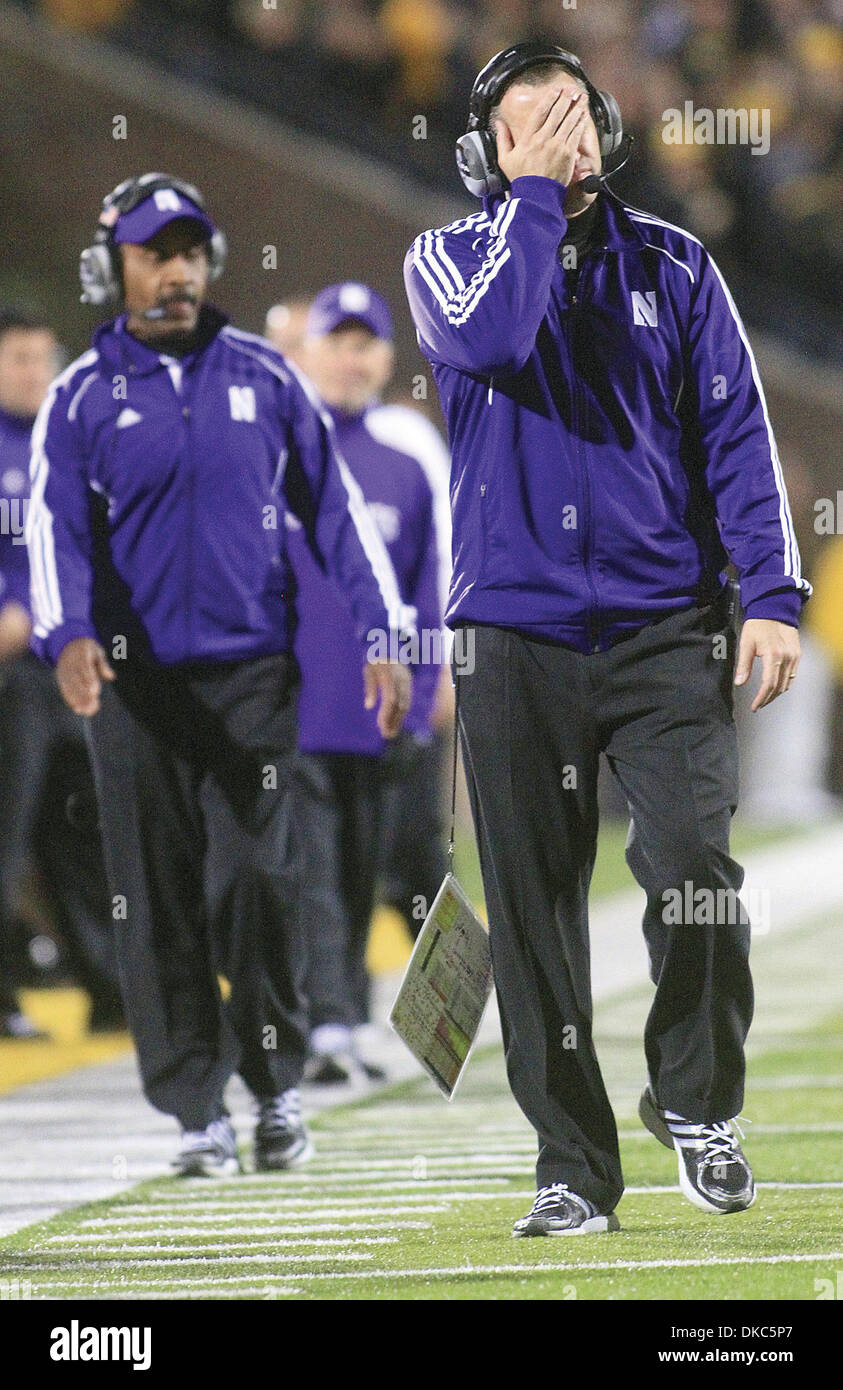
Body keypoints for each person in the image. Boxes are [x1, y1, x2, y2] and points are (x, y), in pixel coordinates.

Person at [404, 43, 810, 1236]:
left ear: (610, 131)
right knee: (532, 915)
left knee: (696, 873)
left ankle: (698, 1102)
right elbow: (493, 342)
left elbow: (738, 433)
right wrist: (530, 203)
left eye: (574, 113)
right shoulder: (449, 258)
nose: (560, 133)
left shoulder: (679, 266)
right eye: (530, 120)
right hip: (513, 637)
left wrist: (774, 595)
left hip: (663, 628)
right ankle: (571, 1167)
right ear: (486, 149)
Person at [26, 173, 412, 1176]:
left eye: (192, 252)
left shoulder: (269, 380)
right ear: (114, 266)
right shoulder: (78, 396)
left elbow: (334, 513)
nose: (178, 272)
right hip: (136, 688)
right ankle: (197, 1106)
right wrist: (65, 630)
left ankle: (276, 1085)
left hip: (251, 681)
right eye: (156, 254)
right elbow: (51, 527)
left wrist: (385, 630)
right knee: (154, 902)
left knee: (257, 884)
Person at [287, 282, 451, 1081]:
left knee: (397, 865)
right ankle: (326, 1025)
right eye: (336, 341)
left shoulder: (407, 458)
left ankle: (439, 1018)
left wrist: (428, 688)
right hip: (292, 706)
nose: (350, 359)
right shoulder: (278, 451)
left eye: (365, 344)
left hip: (388, 711)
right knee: (308, 869)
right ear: (307, 351)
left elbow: (432, 583)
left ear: (387, 358)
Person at [0, 307, 119, 1038]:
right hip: (11, 673)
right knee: (6, 836)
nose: (37, 372)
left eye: (45, 358)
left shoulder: (68, 443)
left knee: (83, 831)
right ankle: (7, 994)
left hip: (67, 667)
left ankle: (110, 986)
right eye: (19, 358)